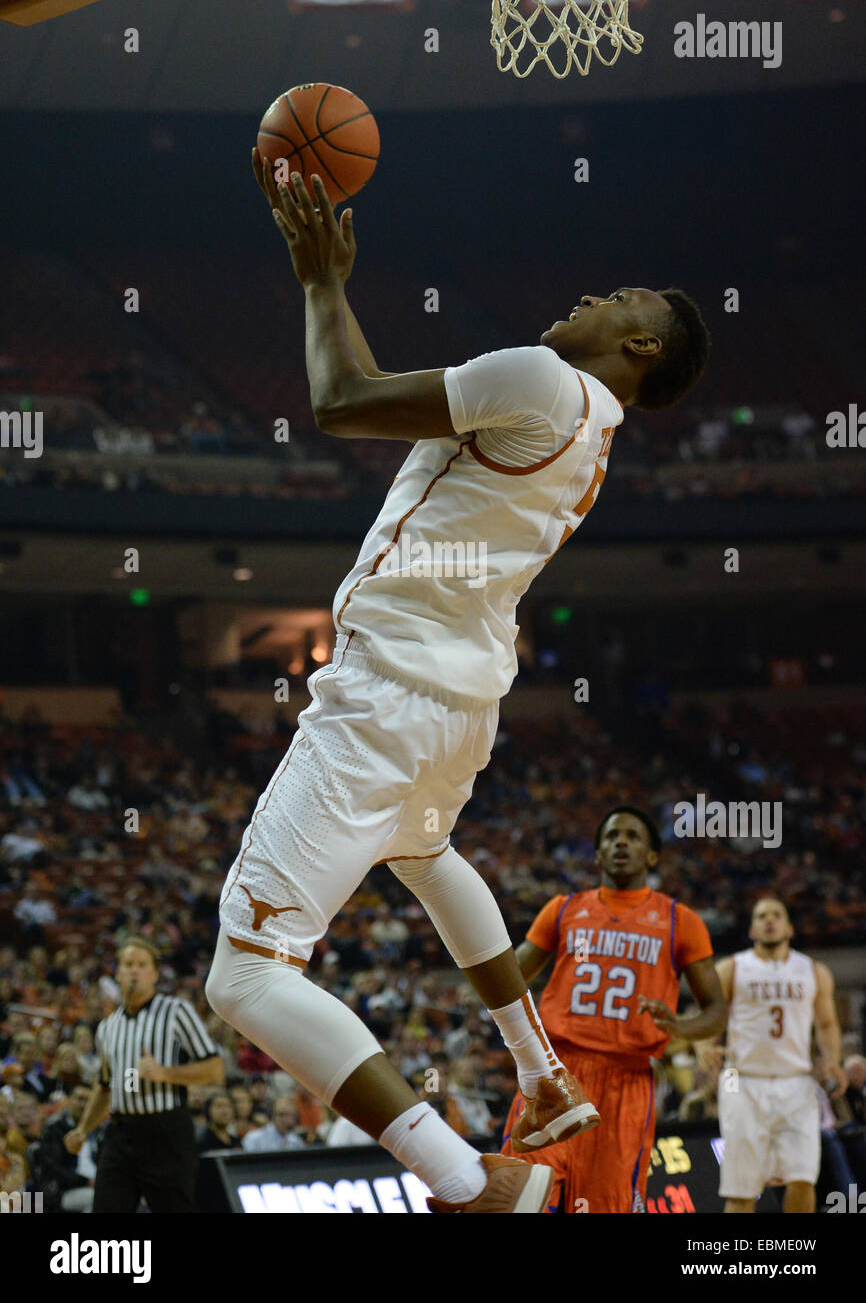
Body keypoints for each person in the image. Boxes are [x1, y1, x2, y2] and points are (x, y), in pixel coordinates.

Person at [206, 161, 711, 1215]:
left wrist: (318, 282)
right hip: (460, 703)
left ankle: (467, 1176)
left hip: (387, 693)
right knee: (423, 853)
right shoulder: (593, 435)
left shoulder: (538, 376)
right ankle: (539, 1069)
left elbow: (340, 402)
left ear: (642, 345)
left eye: (618, 298)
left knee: (245, 977)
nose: (591, 296)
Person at [500, 806, 727, 1212]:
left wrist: (679, 1028)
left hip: (627, 1078)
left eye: (633, 836)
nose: (621, 842)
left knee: (604, 1206)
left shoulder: (681, 921)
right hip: (557, 1069)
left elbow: (716, 1011)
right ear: (598, 854)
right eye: (611, 836)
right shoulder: (563, 909)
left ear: (652, 857)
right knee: (521, 1194)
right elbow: (510, 975)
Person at [697, 896, 847, 1214]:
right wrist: (705, 1048)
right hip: (742, 1079)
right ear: (752, 929)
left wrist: (832, 1059)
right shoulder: (732, 967)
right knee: (742, 1187)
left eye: (776, 915)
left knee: (803, 1178)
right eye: (761, 915)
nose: (769, 920)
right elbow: (707, 1014)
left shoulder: (813, 970)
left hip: (797, 1080)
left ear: (789, 927)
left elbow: (827, 1023)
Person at [64, 936, 224, 1213]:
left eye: (141, 964)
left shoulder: (176, 1012)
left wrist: (165, 1073)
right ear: (117, 973)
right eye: (128, 964)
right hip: (120, 1133)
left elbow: (214, 1069)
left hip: (166, 1132)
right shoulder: (107, 1026)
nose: (134, 970)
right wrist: (83, 1128)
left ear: (154, 973)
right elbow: (104, 1086)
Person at [36, 1084, 98, 1213]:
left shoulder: (98, 1128)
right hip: (62, 1190)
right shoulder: (54, 1128)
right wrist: (86, 1181)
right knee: (98, 1199)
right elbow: (54, 1168)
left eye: (88, 1100)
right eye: (80, 1099)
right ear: (69, 1100)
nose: (83, 1104)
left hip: (97, 1185)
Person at [242, 1096, 307, 1152]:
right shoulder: (253, 1138)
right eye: (281, 1114)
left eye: (290, 1115)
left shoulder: (296, 1141)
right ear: (272, 1115)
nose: (285, 1119)